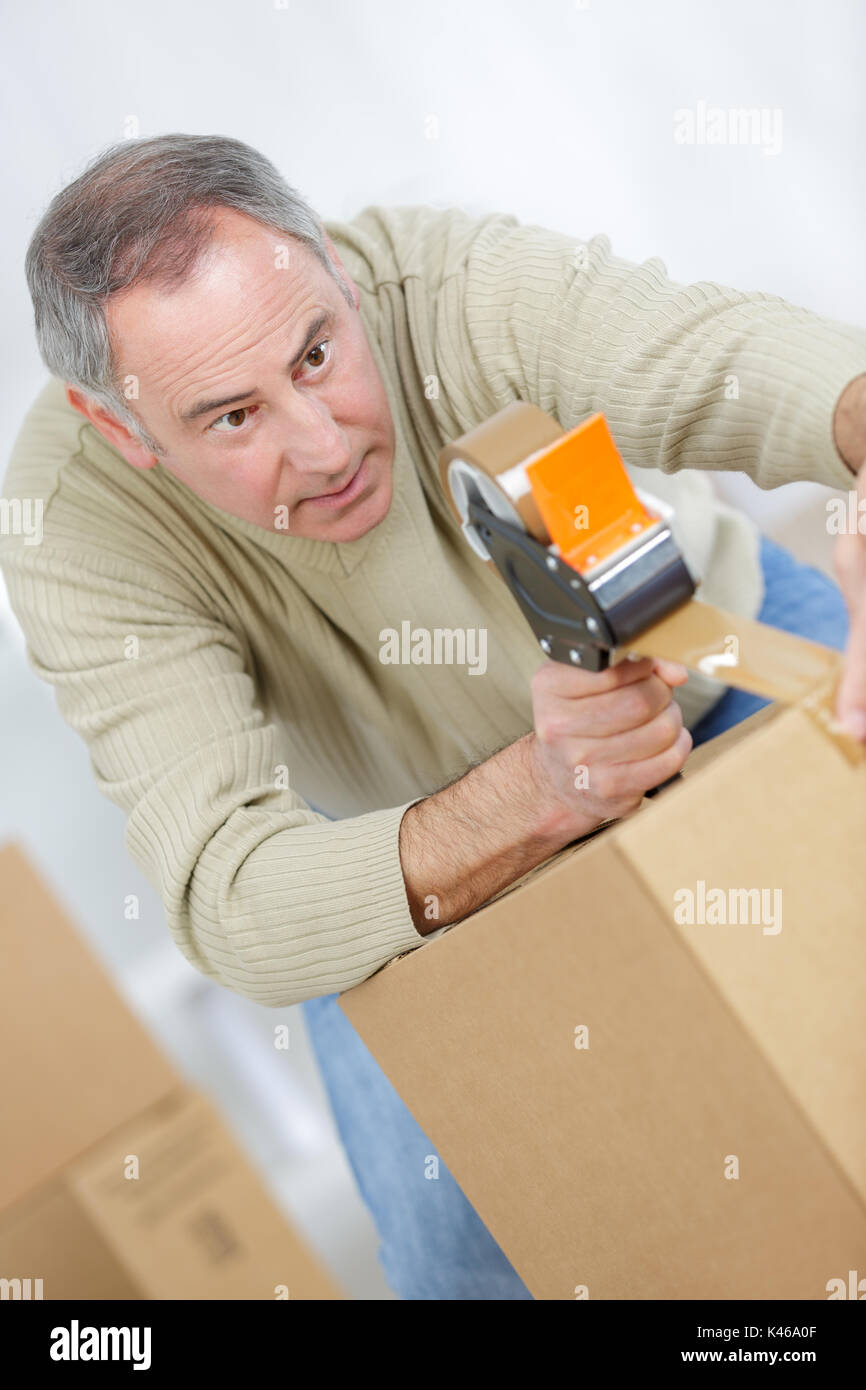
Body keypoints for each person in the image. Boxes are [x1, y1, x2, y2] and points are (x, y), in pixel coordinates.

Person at [2, 133, 865, 1300]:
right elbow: (230, 898)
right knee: (461, 1257)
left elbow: (777, 370)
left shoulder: (455, 287)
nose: (323, 446)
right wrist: (538, 792)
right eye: (230, 419)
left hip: (714, 668)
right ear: (121, 431)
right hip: (407, 852)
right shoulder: (72, 523)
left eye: (316, 353)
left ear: (338, 271)